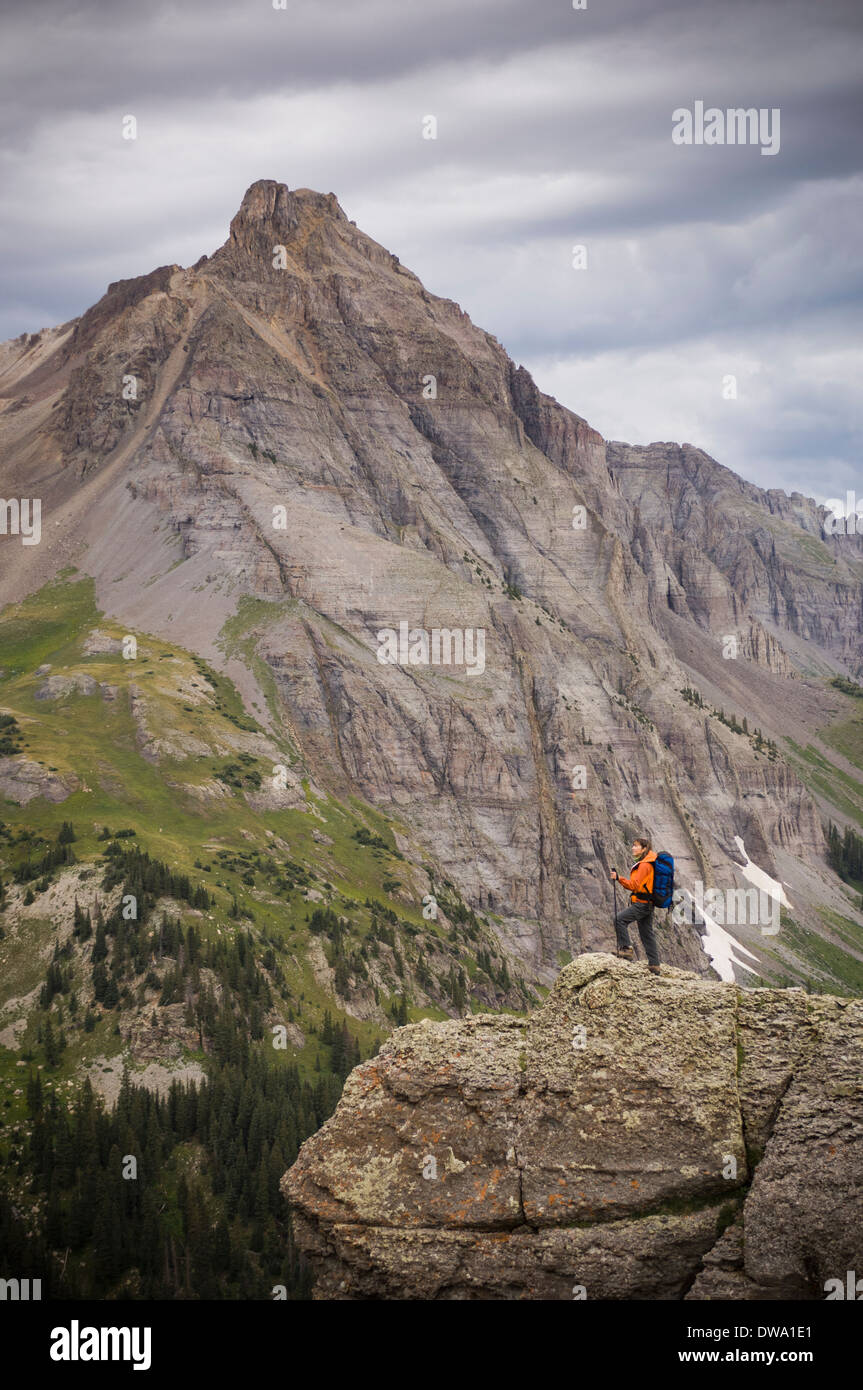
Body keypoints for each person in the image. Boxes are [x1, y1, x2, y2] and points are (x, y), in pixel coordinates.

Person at [610, 835, 661, 974]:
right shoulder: (650, 862)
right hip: (649, 903)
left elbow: (634, 885)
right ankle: (654, 965)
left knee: (619, 919)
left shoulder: (644, 865)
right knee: (647, 934)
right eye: (633, 845)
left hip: (642, 903)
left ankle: (626, 949)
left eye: (636, 845)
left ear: (644, 849)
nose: (633, 848)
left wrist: (618, 878)